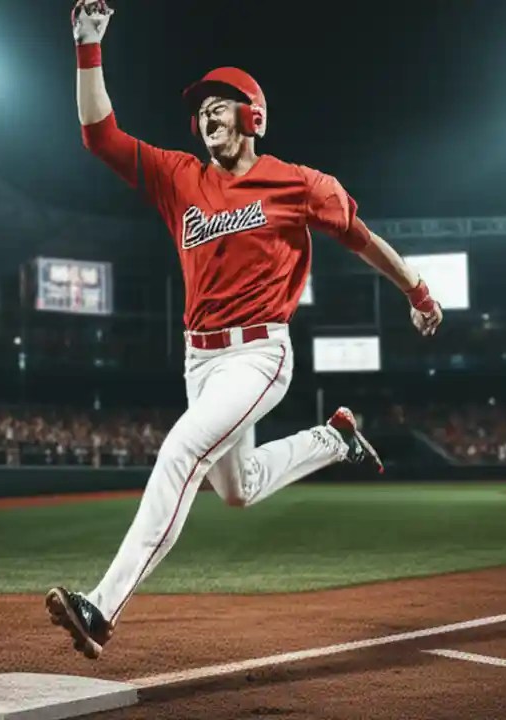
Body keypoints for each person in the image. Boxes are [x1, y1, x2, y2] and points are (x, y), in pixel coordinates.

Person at [46, 0, 444, 660]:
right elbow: (100, 135)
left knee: (181, 453)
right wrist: (89, 46)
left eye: (220, 104)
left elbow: (362, 239)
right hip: (198, 361)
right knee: (239, 488)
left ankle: (102, 606)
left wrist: (418, 290)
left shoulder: (295, 183)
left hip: (257, 354)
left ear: (253, 116)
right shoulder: (181, 178)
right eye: (200, 108)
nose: (206, 114)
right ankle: (333, 438)